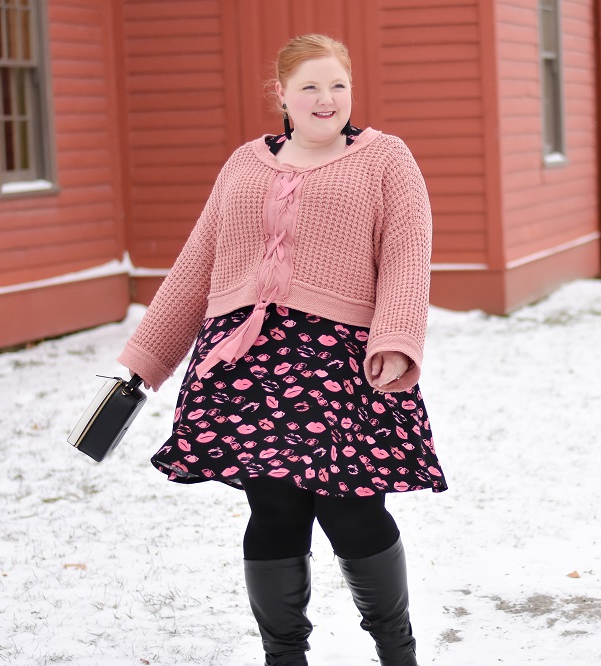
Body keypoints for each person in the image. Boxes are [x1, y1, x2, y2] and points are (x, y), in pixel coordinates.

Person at [117, 33, 447, 666]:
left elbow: (409, 252)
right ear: (283, 95)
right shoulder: (244, 163)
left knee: (352, 510)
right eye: (310, 88)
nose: (327, 100)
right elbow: (199, 261)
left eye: (338, 86)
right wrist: (147, 357)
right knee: (274, 512)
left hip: (343, 363)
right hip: (248, 362)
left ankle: (397, 654)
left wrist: (398, 339)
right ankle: (284, 658)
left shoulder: (386, 160)